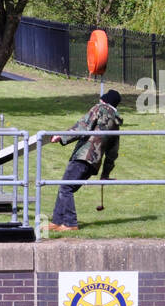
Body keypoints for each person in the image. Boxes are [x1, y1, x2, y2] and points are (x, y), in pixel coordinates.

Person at [48, 89, 123, 232]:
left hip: (83, 155)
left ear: (105, 101)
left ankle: (70, 224)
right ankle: (57, 222)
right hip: (94, 162)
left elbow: (82, 126)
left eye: (102, 99)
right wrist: (105, 174)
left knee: (66, 188)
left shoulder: (99, 109)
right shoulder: (115, 122)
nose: (99, 101)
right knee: (65, 188)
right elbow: (112, 152)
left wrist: (61, 137)